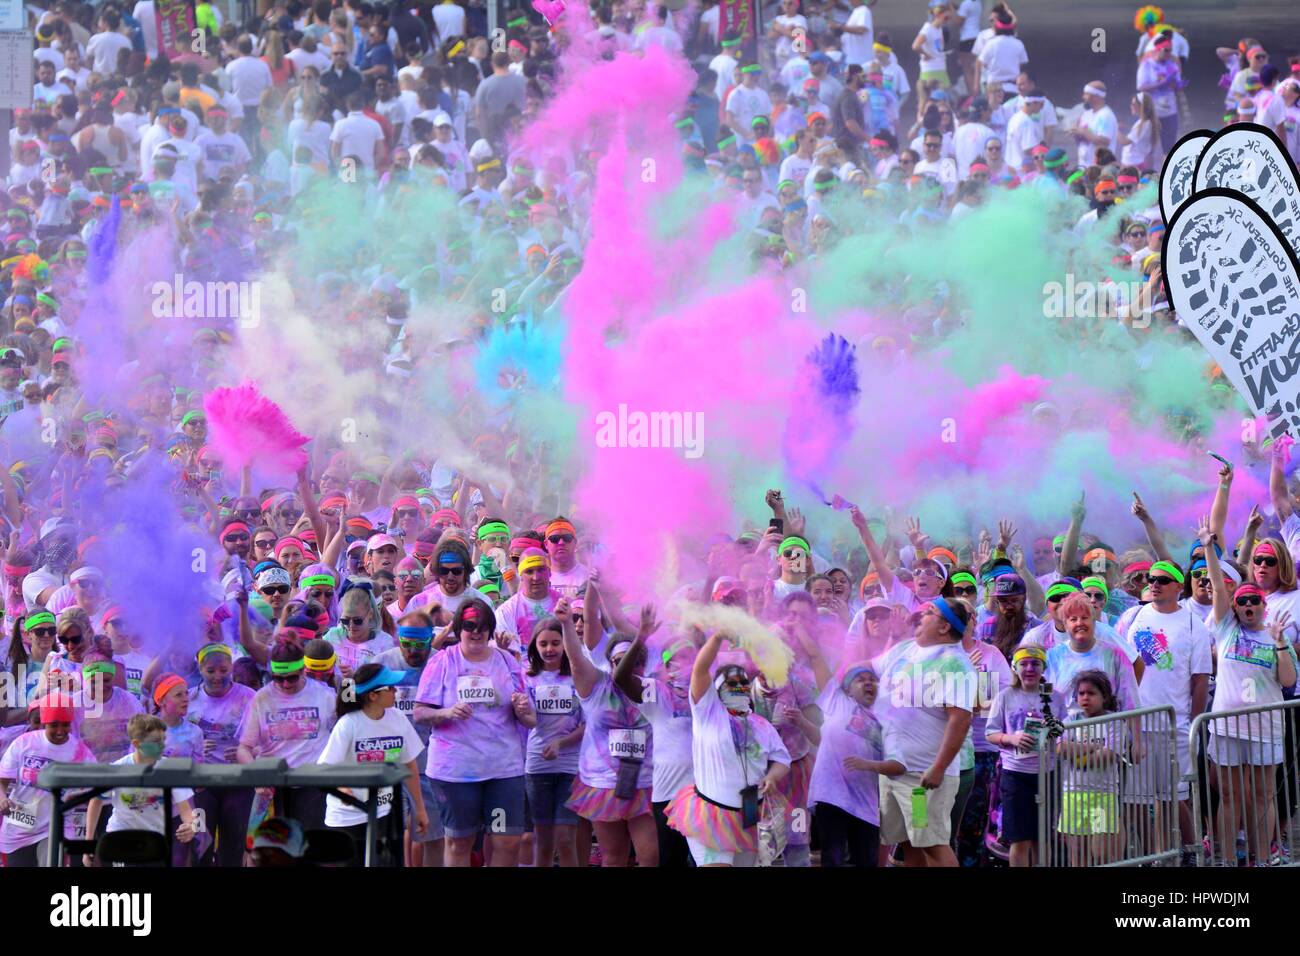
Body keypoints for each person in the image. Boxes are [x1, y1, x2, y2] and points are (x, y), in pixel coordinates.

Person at [1203, 502, 1298, 866]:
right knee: (1229, 797)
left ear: (1263, 606)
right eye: (1240, 601)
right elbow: (1216, 583)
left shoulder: (1277, 636)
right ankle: (1227, 861)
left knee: (1262, 797)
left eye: (1252, 601)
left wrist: (1278, 644)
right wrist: (1209, 547)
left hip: (1265, 728)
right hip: (1227, 727)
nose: (1246, 605)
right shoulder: (1226, 628)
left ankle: (1262, 859)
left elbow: (1288, 682)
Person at [413, 598, 530, 866]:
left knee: (507, 840)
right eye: (468, 625)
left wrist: (523, 709)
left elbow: (528, 715)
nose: (476, 631)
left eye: (482, 626)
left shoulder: (507, 662)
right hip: (456, 771)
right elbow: (419, 712)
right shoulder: (442, 662)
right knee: (459, 842)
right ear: (458, 628)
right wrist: (446, 712)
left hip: (502, 770)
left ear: (490, 629)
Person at [665, 631, 791, 867]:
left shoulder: (761, 724)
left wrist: (773, 778)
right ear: (718, 689)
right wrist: (718, 637)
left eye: (744, 682)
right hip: (711, 816)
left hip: (750, 813)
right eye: (732, 683)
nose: (740, 687)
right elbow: (700, 671)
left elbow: (782, 758)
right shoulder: (708, 711)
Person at [872, 597, 977, 866]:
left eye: (929, 613)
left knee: (931, 843)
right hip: (894, 770)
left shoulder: (956, 664)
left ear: (944, 627)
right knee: (906, 840)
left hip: (921, 778)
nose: (920, 617)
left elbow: (960, 720)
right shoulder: (907, 649)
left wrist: (938, 768)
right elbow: (869, 669)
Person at [558, 595, 658, 867]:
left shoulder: (651, 688)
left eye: (635, 661)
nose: (626, 666)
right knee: (614, 857)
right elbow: (576, 659)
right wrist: (567, 624)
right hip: (603, 782)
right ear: (610, 662)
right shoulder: (597, 684)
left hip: (644, 780)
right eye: (618, 660)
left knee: (649, 857)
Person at [318, 661, 426, 865]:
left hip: (384, 814)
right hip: (347, 820)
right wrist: (343, 788)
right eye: (391, 688)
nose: (396, 691)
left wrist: (420, 809)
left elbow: (409, 766)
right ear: (373, 695)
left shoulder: (398, 719)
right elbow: (325, 768)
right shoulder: (348, 724)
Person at [236, 641, 338, 830]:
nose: (284, 684)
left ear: (302, 670)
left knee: (312, 850)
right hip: (272, 787)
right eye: (278, 678)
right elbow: (244, 748)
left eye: (291, 678)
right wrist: (256, 776)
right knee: (267, 852)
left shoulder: (325, 695)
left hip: (313, 785)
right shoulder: (262, 698)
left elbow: (341, 736)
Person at [985, 645, 1065, 866]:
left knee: (1043, 838)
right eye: (1024, 664)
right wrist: (1011, 739)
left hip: (1046, 774)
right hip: (1015, 775)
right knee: (1019, 840)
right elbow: (990, 733)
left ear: (1043, 667)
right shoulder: (1005, 696)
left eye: (1035, 664)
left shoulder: (1054, 697)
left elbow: (1064, 730)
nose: (1030, 669)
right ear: (1015, 667)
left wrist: (1054, 732)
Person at [84, 714, 199, 867]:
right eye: (156, 742)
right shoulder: (118, 768)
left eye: (164, 740)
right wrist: (88, 843)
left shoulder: (170, 769)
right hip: (120, 836)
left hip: (155, 839)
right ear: (137, 744)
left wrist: (191, 826)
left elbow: (186, 809)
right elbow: (96, 800)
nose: (163, 746)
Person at [0, 693, 95, 867]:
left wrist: (79, 797)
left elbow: (95, 791)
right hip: (19, 825)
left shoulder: (80, 753)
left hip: (54, 827)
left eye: (65, 725)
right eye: (53, 725)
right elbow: (2, 780)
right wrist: (2, 799)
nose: (60, 731)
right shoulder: (24, 743)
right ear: (44, 722)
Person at [809, 662, 889, 866]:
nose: (868, 683)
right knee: (832, 858)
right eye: (860, 680)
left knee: (866, 860)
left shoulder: (887, 719)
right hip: (832, 795)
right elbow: (816, 657)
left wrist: (868, 765)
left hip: (866, 801)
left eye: (872, 680)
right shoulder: (837, 701)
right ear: (848, 689)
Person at [522, 615, 584, 867]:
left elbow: (587, 724)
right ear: (535, 646)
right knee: (543, 840)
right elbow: (529, 722)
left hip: (570, 767)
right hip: (537, 766)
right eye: (543, 643)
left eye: (556, 643)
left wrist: (561, 744)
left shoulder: (578, 676)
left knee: (566, 839)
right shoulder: (527, 678)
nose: (549, 649)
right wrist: (522, 711)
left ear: (565, 644)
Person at [187, 643, 256, 867]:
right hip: (201, 784)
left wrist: (245, 751)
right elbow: (173, 740)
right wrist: (195, 747)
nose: (218, 677)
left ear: (231, 669)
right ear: (200, 669)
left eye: (224, 671)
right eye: (211, 671)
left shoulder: (249, 698)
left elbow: (264, 738)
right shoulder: (190, 699)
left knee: (233, 846)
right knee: (200, 845)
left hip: (238, 782)